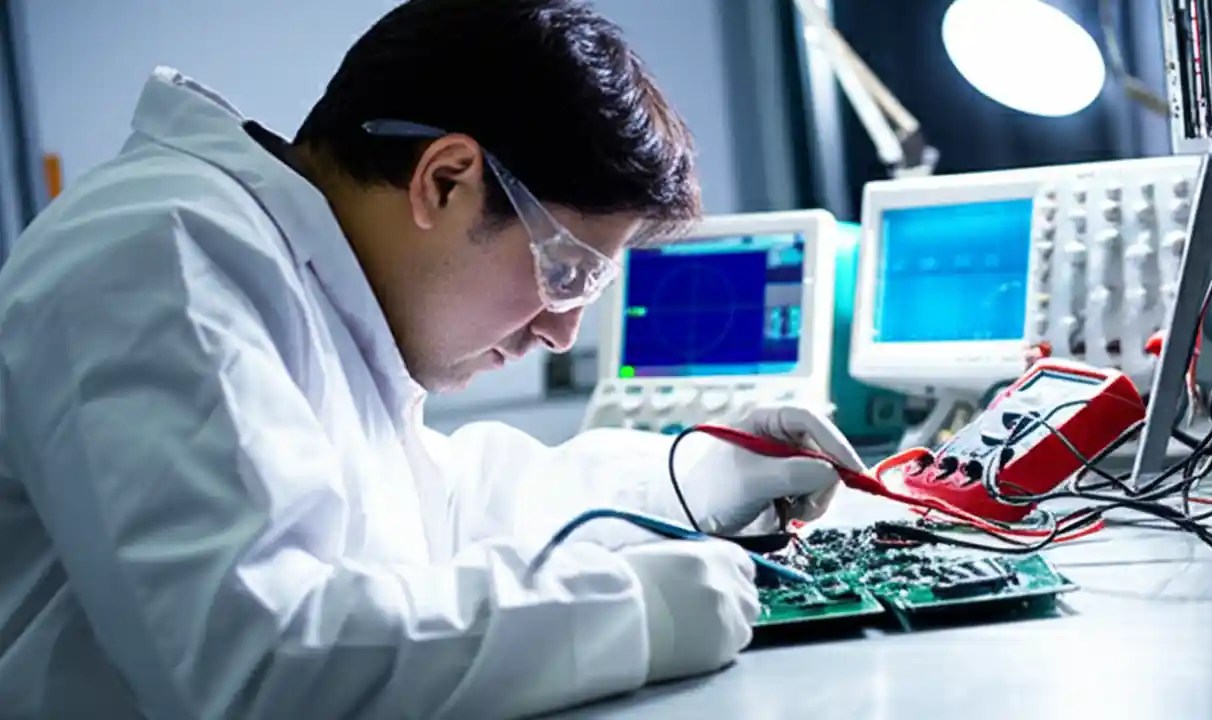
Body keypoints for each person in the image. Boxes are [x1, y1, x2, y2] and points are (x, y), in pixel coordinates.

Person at [0, 1, 864, 718]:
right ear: (446, 180)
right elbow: (260, 657)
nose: (562, 332)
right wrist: (634, 612)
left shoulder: (301, 281)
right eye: (566, 271)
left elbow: (439, 518)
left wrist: (696, 475)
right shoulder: (160, 258)